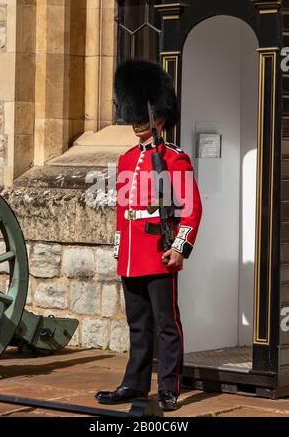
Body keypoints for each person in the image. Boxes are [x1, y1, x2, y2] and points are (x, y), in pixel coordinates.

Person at [95, 59, 203, 411]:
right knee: (137, 324)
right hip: (131, 253)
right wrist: (119, 249)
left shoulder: (174, 158)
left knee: (165, 325)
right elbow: (122, 211)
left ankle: (169, 387)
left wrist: (180, 247)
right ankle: (135, 383)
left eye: (143, 114)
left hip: (158, 250)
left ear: (158, 116)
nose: (136, 122)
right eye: (134, 115)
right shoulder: (127, 159)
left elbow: (192, 207)